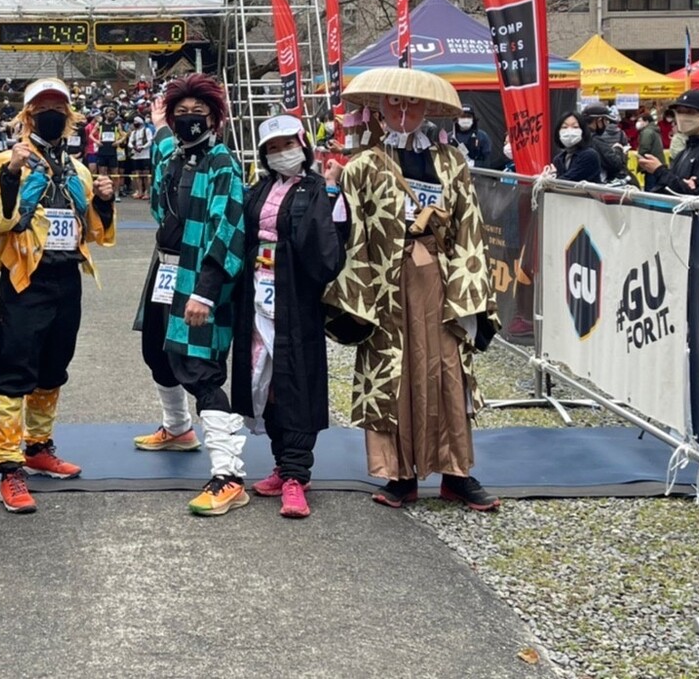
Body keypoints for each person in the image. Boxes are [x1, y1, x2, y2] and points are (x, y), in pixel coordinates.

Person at [322, 67, 500, 512]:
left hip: (441, 280)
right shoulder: (361, 166)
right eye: (395, 103)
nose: (403, 111)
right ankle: (398, 474)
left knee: (447, 370)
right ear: (379, 108)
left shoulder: (452, 162)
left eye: (413, 103)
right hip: (383, 282)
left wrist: (471, 292)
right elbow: (350, 232)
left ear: (428, 110)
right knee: (392, 374)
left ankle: (456, 471)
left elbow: (469, 226)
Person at [0, 78, 116, 513]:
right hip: (25, 279)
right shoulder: (4, 159)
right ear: (27, 115)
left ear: (70, 117)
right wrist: (13, 174)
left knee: (53, 366)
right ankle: (8, 465)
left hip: (66, 276)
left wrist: (106, 202)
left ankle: (38, 447)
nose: (52, 112)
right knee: (13, 369)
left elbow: (94, 231)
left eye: (59, 106)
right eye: (43, 106)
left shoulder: (78, 170)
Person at [131, 74, 250, 517]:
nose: (188, 122)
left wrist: (206, 292)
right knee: (156, 353)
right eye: (180, 115)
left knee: (199, 369)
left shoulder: (223, 164)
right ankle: (179, 428)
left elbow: (229, 231)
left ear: (215, 118)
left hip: (200, 277)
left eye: (197, 114)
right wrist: (160, 120)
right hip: (165, 268)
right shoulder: (173, 156)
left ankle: (229, 475)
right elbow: (162, 143)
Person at [231, 116, 347, 519]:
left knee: (295, 376)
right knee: (264, 377)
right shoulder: (259, 189)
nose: (282, 153)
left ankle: (298, 475)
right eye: (273, 148)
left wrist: (331, 191)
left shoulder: (319, 191)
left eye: (287, 144)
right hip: (257, 295)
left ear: (303, 144)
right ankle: (282, 463)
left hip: (295, 299)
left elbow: (328, 254)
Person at [638, 89, 699, 199]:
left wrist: (660, 171)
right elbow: (676, 188)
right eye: (679, 112)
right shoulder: (686, 150)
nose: (682, 117)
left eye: (690, 112)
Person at [549, 112, 604, 184]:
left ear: (583, 131)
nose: (569, 131)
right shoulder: (559, 159)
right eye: (564, 127)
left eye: (575, 127)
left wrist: (549, 180)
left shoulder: (590, 155)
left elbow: (568, 181)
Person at [581, 103, 627, 182]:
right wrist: (618, 149)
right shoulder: (595, 140)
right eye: (606, 120)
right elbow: (615, 164)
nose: (607, 124)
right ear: (599, 120)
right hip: (596, 185)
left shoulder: (581, 137)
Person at [126, 115, 154, 199]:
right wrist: (133, 147)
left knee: (146, 175)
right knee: (137, 174)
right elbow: (130, 142)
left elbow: (150, 141)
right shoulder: (134, 132)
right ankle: (139, 191)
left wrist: (142, 147)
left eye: (136, 122)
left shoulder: (147, 130)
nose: (135, 124)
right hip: (135, 156)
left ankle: (147, 192)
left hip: (145, 155)